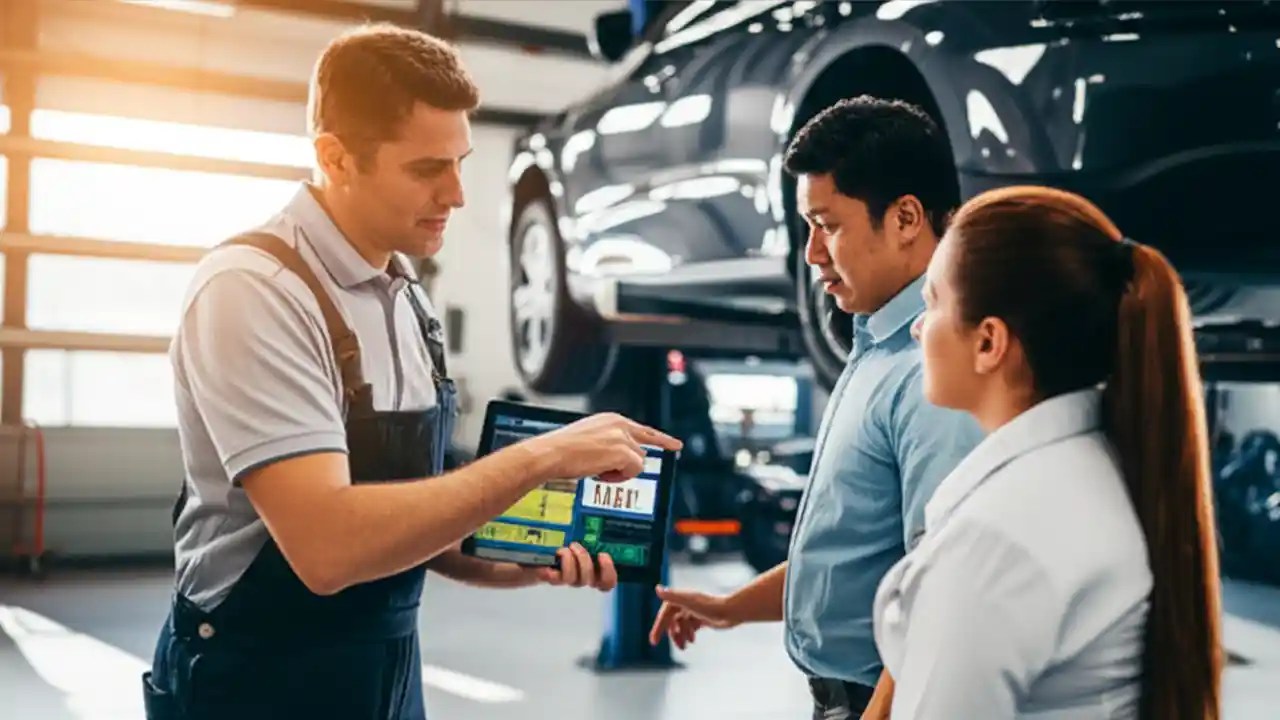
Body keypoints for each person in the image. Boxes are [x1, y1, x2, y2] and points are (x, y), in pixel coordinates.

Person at [141, 24, 680, 720]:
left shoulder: (405, 297)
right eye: (429, 169)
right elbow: (328, 547)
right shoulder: (253, 291)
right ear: (335, 157)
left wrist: (521, 559)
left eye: (461, 161)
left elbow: (417, 516)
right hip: (254, 678)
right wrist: (542, 459)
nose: (456, 193)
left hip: (384, 673)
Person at [648, 96, 985, 718]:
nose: (812, 253)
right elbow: (844, 558)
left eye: (827, 225)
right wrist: (730, 607)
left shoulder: (930, 374)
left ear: (907, 217)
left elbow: (938, 602)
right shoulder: (875, 349)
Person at [872, 186, 1222, 717]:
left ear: (989, 342)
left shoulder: (1000, 537)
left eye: (933, 302)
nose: (919, 328)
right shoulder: (1092, 472)